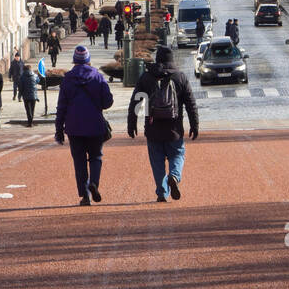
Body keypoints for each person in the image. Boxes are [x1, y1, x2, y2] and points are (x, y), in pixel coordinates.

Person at [127, 45, 198, 203]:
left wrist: (131, 124)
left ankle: (162, 191)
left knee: (157, 161)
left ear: (157, 59)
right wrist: (194, 124)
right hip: (174, 128)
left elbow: (136, 102)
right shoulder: (180, 77)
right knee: (178, 155)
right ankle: (174, 175)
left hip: (153, 128)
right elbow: (191, 104)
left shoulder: (146, 77)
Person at [55, 46, 114, 206]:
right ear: (88, 59)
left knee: (79, 161)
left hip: (74, 127)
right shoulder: (98, 76)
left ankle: (85, 195)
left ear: (75, 60)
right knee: (96, 157)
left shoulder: (67, 78)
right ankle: (94, 182)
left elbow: (61, 106)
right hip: (95, 125)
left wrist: (58, 129)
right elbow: (108, 101)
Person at [17, 61, 39, 127]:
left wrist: (19, 96)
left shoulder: (22, 77)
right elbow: (38, 81)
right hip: (33, 95)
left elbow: (20, 87)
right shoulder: (35, 75)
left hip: (26, 95)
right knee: (32, 109)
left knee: (28, 109)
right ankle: (31, 121)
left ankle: (30, 122)